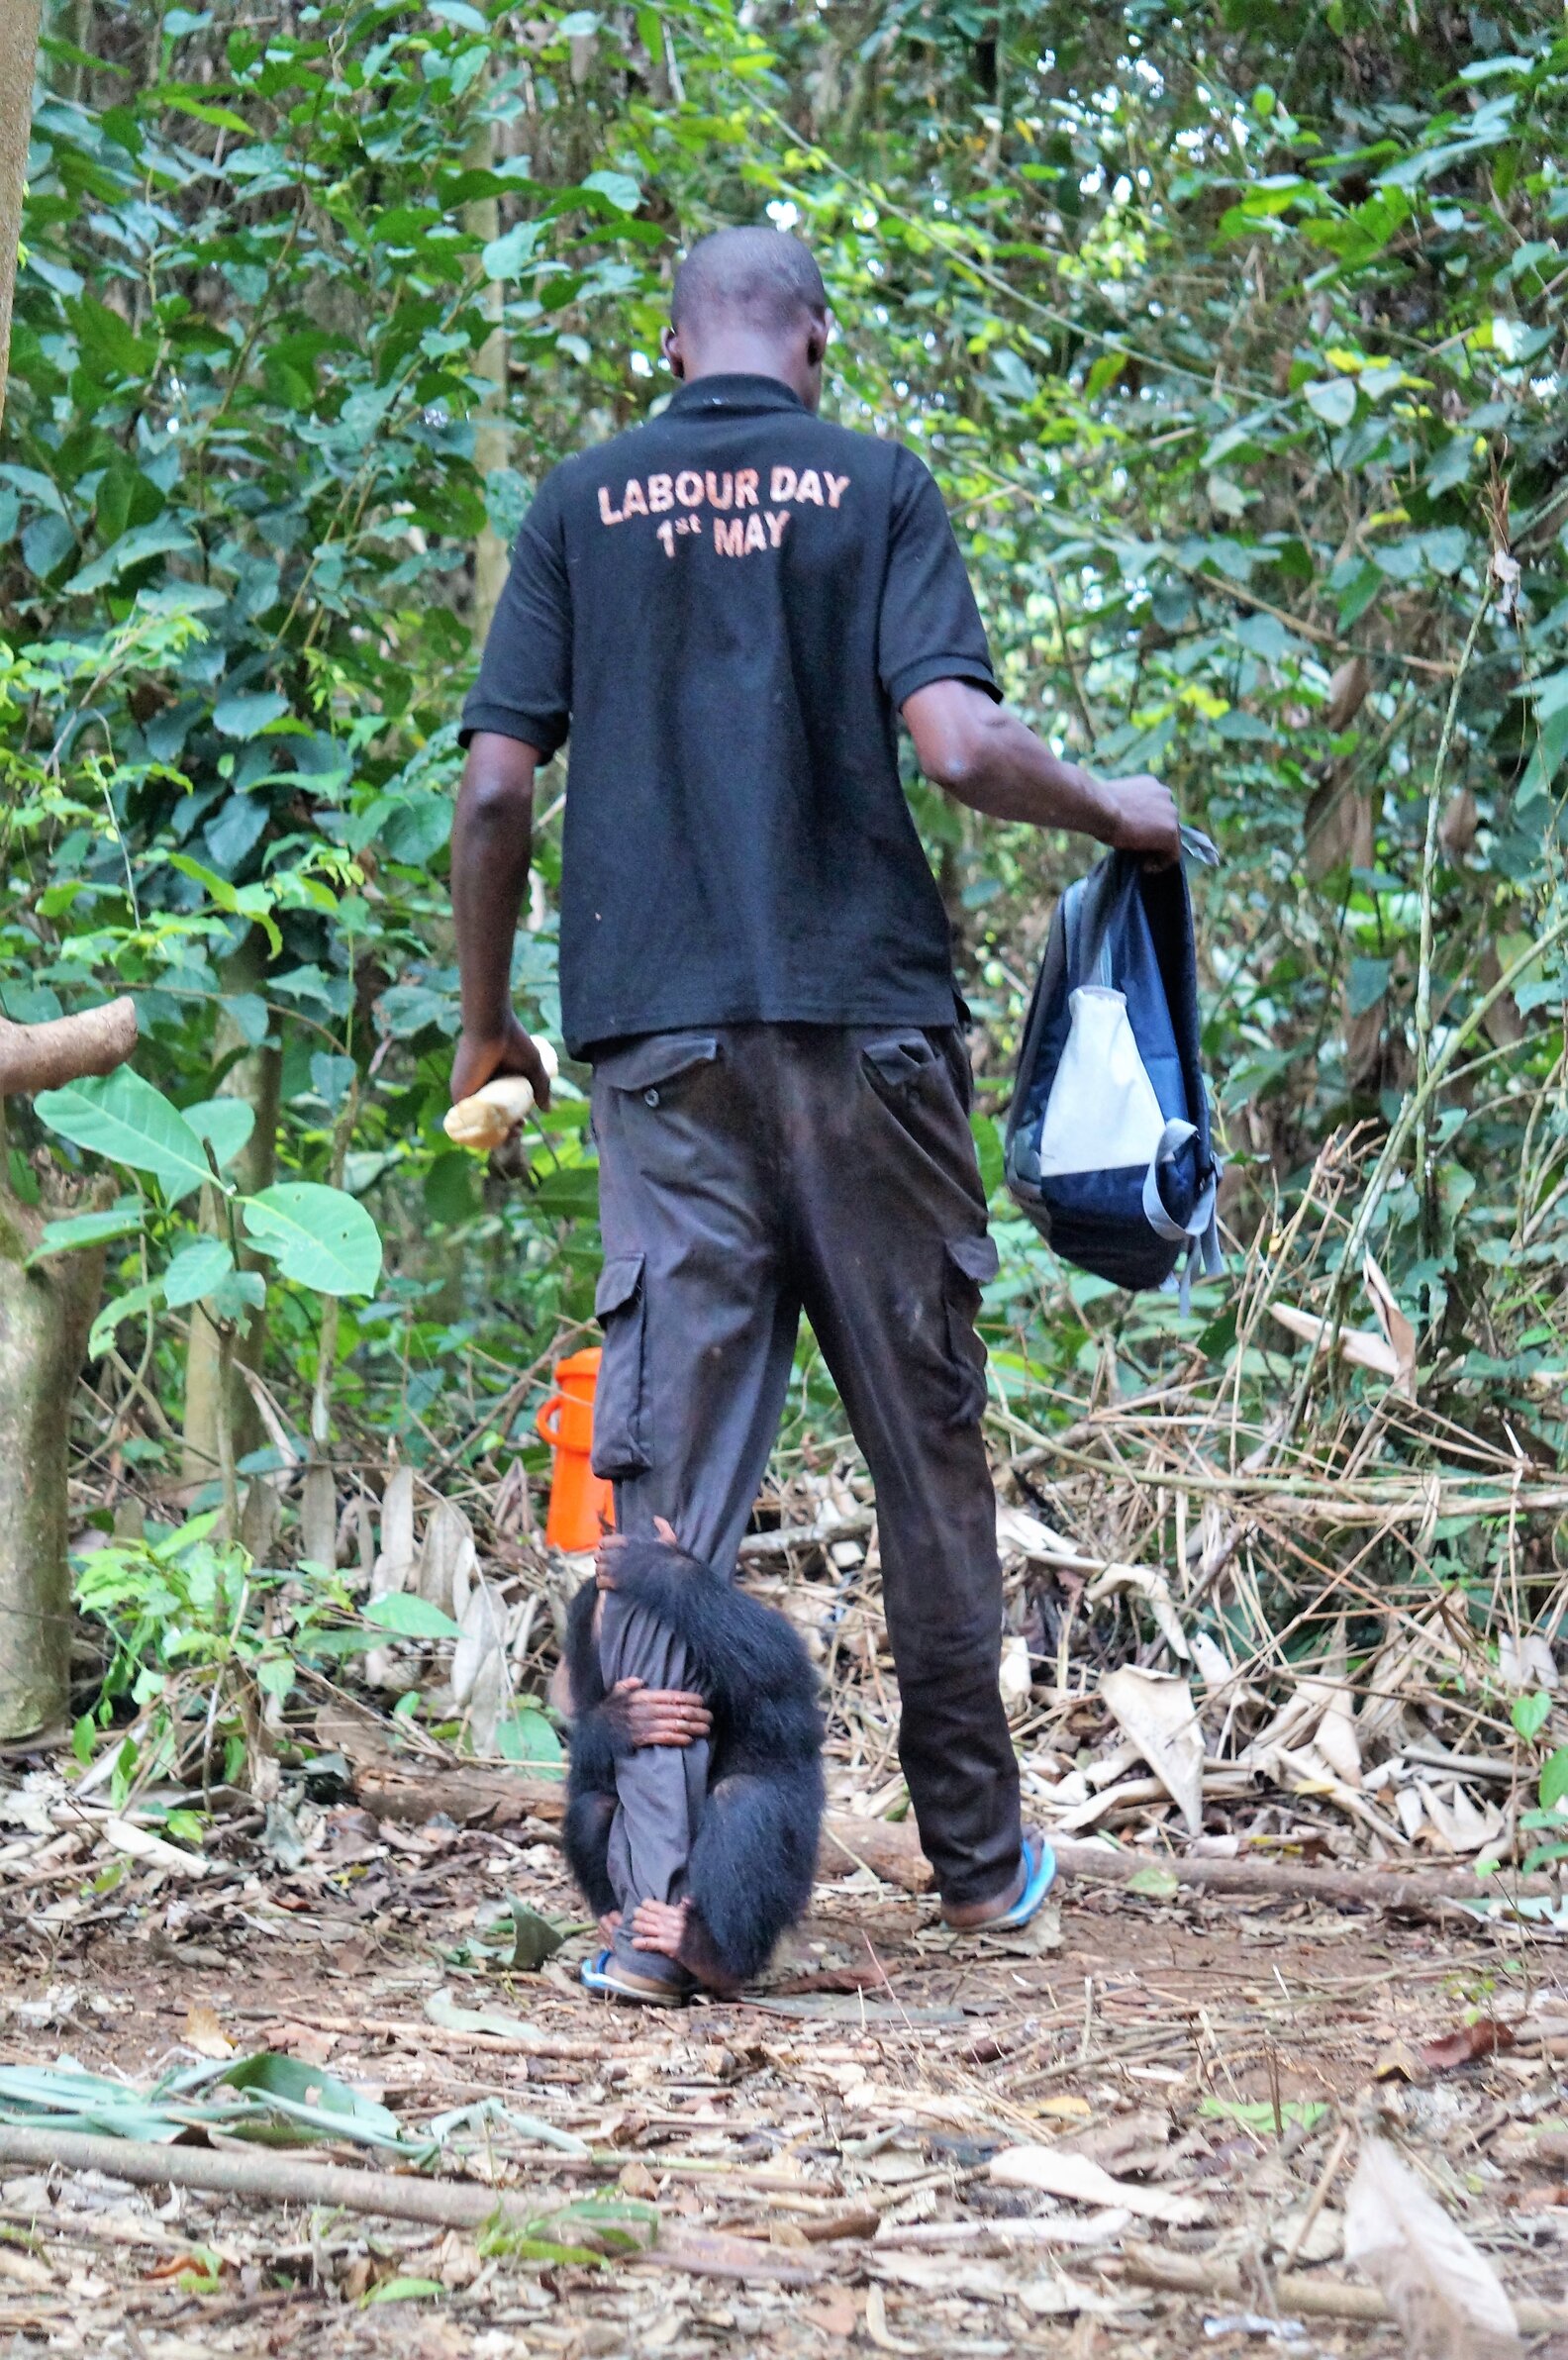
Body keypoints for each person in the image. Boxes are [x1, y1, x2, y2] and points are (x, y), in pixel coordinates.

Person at [449, 226, 1179, 2002]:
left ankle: (653, 1910)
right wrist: (1117, 811)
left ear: (671, 340)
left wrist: (488, 1034)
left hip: (659, 1050)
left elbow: (490, 793)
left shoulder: (580, 503)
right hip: (868, 1041)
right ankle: (983, 1869)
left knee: (661, 1496)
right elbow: (957, 745)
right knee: (926, 1456)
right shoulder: (877, 488)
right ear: (815, 348)